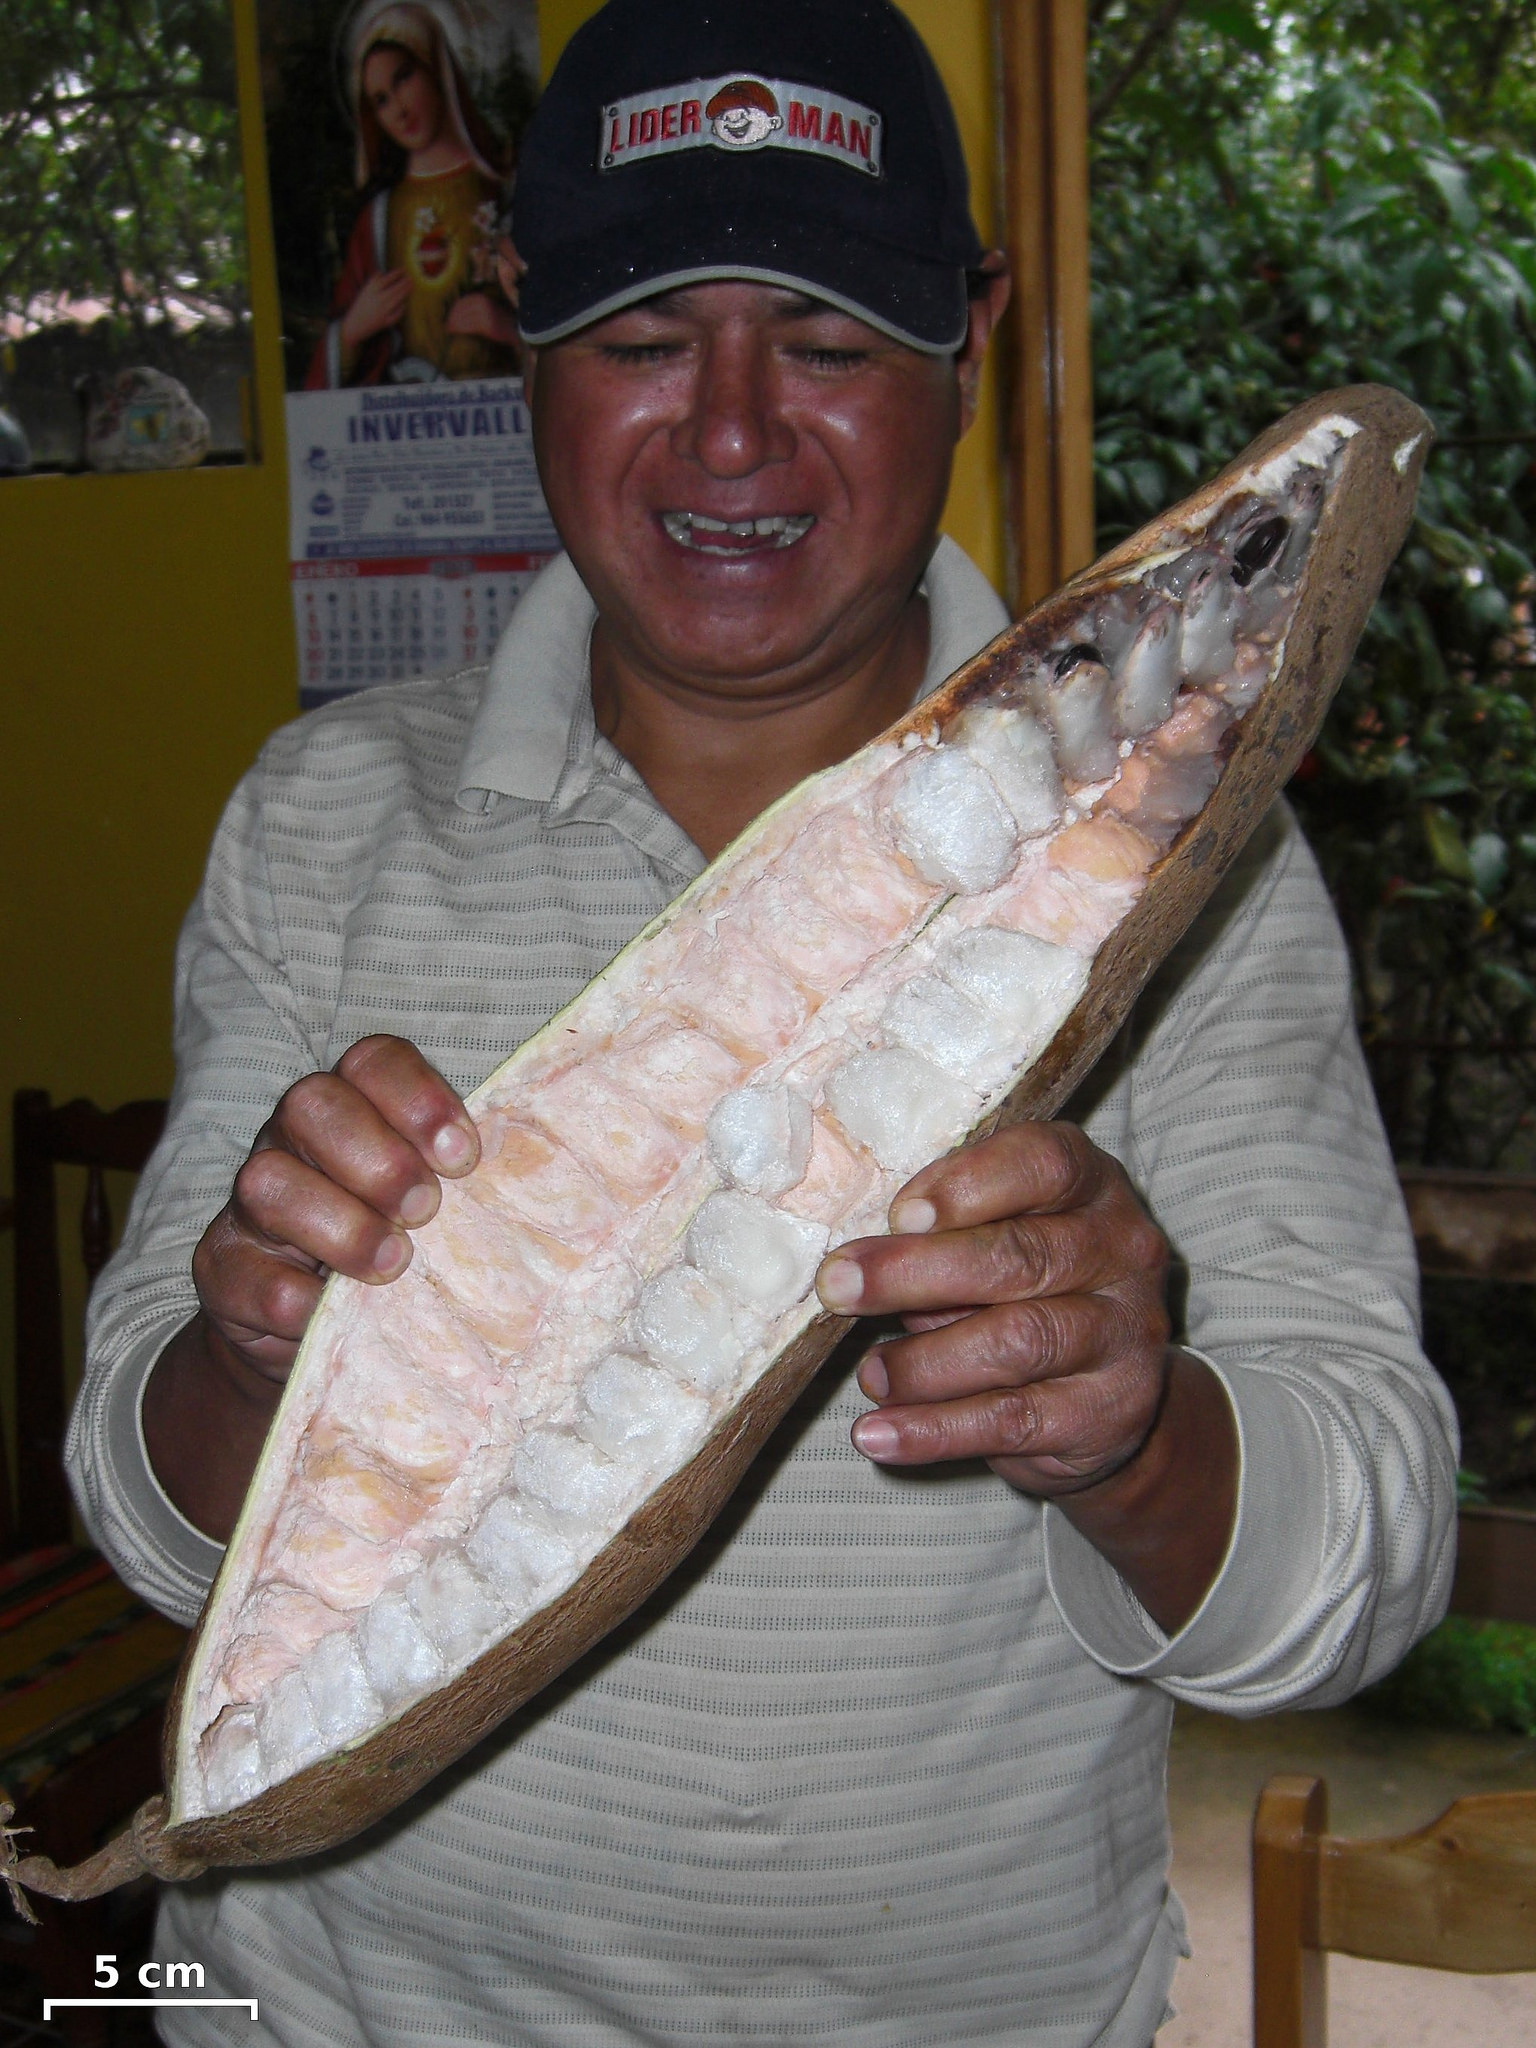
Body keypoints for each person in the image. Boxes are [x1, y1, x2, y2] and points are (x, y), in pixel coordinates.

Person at [70, 0, 1457, 2041]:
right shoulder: (323, 819)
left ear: (968, 345)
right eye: (641, 342)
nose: (729, 434)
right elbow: (146, 1509)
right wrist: (253, 1345)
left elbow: (1374, 1561)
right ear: (523, 338)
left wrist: (1139, 1430)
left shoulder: (1203, 880)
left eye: (823, 344)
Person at [305, 0, 522, 389]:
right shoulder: (379, 221)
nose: (399, 111)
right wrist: (354, 328)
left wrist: (506, 327)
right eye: (381, 100)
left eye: (404, 77)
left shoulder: (505, 192)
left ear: (437, 69)